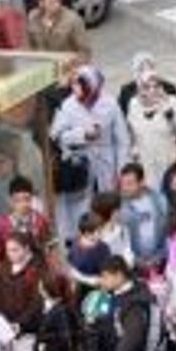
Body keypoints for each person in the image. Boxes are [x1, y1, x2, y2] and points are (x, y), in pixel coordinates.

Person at [52, 66, 131, 245]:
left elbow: (122, 139)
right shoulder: (68, 105)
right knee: (80, 208)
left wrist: (121, 170)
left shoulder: (110, 104)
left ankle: (111, 244)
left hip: (106, 163)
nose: (84, 100)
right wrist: (82, 134)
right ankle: (81, 243)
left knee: (108, 206)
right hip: (80, 164)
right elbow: (57, 135)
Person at [126, 64, 176, 191]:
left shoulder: (172, 102)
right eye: (146, 87)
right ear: (139, 88)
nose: (152, 90)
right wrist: (134, 150)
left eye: (156, 85)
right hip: (147, 165)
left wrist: (171, 115)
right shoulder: (133, 104)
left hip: (170, 161)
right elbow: (131, 131)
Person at [116, 164, 170, 272]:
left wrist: (160, 257)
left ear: (142, 182)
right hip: (133, 264)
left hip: (160, 260)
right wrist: (136, 261)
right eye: (122, 184)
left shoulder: (160, 201)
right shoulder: (118, 207)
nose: (125, 188)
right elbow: (119, 241)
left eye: (129, 184)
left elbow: (168, 232)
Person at [27, 0, 90, 70]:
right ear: (41, 3)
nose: (57, 5)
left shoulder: (73, 20)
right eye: (51, 3)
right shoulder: (33, 18)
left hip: (67, 70)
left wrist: (72, 64)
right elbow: (29, 47)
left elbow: (85, 52)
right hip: (42, 69)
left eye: (58, 1)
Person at [0, 177, 53, 264]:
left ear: (32, 198)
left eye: (27, 199)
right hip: (11, 272)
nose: (23, 204)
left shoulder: (40, 220)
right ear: (10, 201)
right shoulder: (2, 223)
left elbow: (50, 248)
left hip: (37, 270)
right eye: (18, 200)